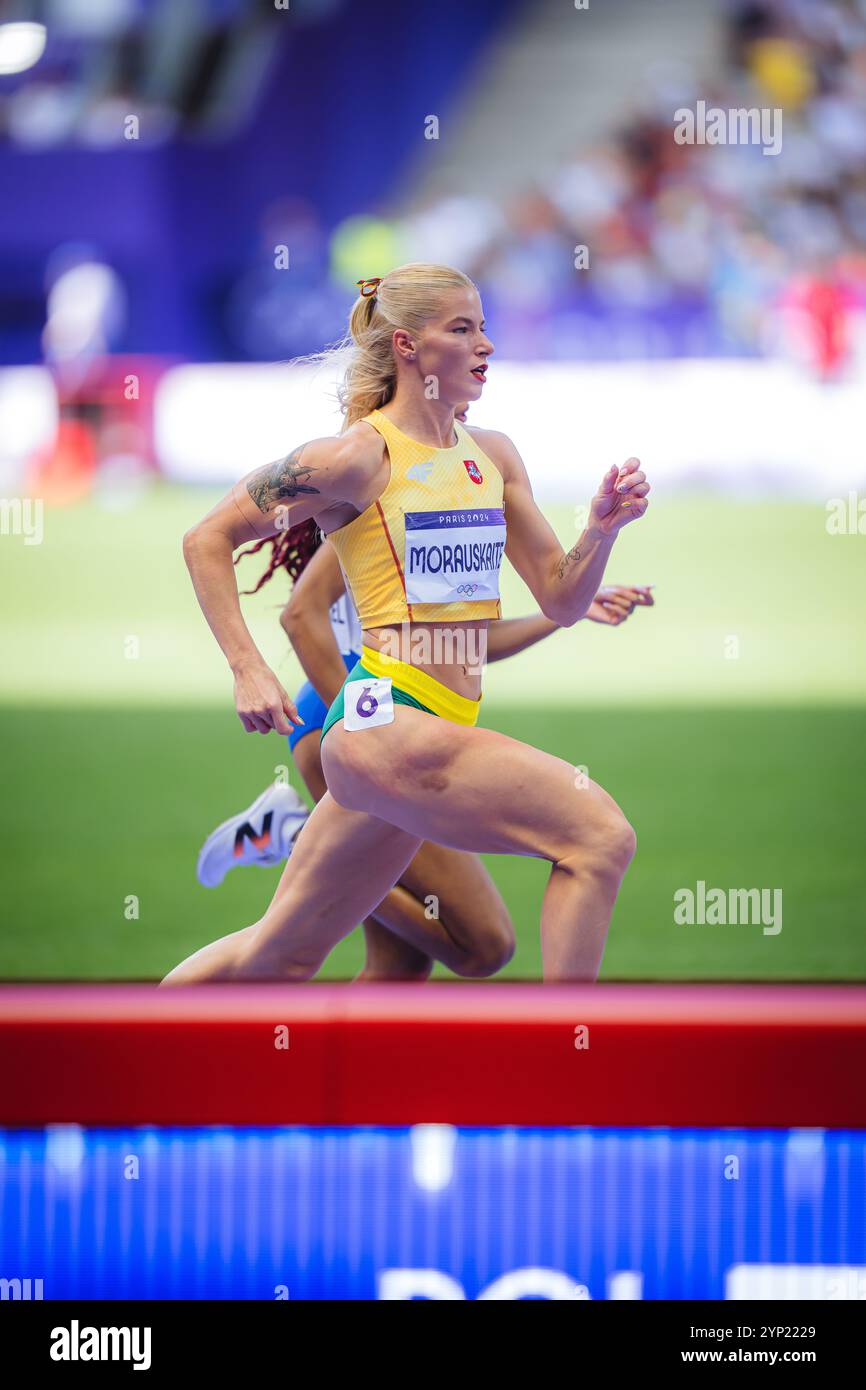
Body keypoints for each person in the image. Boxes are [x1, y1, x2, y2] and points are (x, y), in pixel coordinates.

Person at [161, 262, 650, 985]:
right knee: (599, 837)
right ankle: (571, 1072)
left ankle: (109, 1084)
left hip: (424, 731)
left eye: (484, 326)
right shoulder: (356, 456)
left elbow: (560, 598)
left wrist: (601, 531)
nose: (485, 344)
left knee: (282, 955)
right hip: (385, 724)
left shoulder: (494, 456)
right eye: (462, 329)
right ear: (405, 347)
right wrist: (248, 668)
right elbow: (207, 538)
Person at [196, 471, 654, 979]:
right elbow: (300, 614)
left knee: (400, 965)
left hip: (394, 726)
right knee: (482, 943)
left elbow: (462, 647)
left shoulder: (450, 477)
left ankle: (328, 1053)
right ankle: (294, 832)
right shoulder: (375, 489)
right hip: (365, 723)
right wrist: (363, 728)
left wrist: (565, 613)